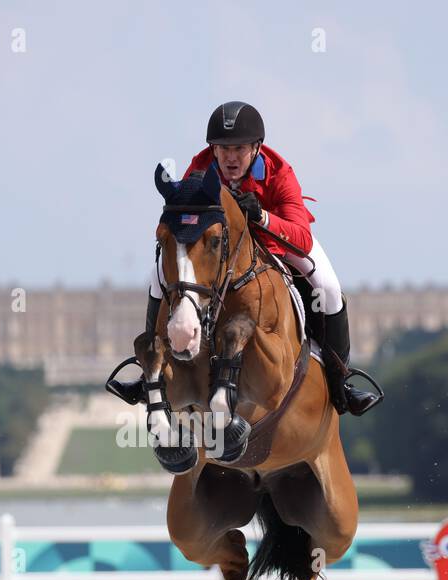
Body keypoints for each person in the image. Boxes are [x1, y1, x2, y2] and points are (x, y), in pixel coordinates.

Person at [109, 101, 380, 416]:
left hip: (278, 241)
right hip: (221, 255)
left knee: (328, 288)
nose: (229, 157)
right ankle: (148, 374)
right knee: (159, 275)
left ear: (256, 148)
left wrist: (262, 216)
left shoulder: (279, 172)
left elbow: (302, 238)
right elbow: (184, 221)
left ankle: (340, 381)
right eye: (222, 149)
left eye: (238, 148)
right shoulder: (199, 169)